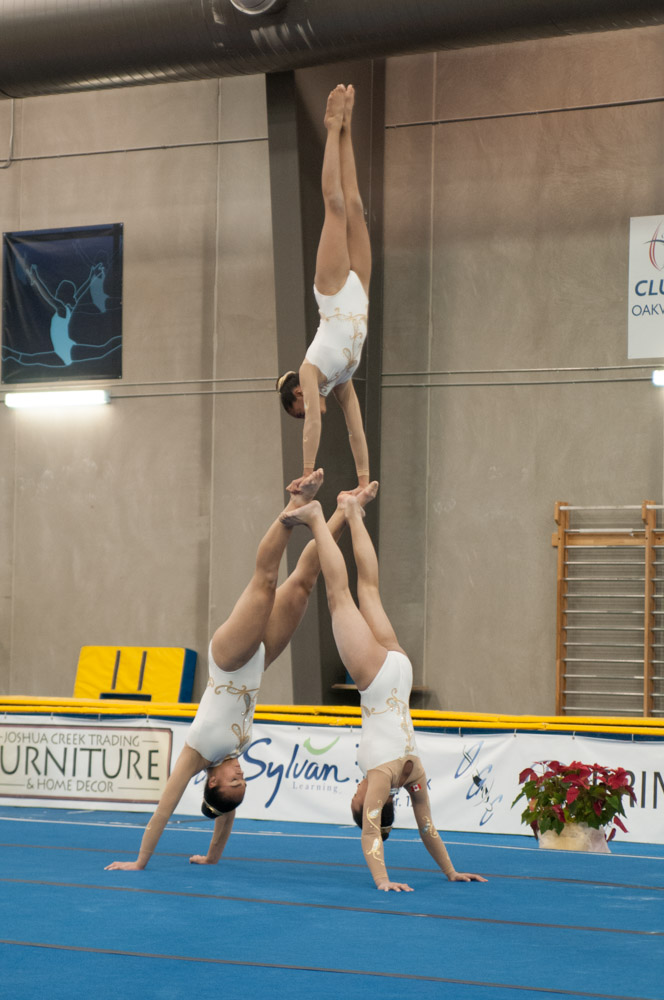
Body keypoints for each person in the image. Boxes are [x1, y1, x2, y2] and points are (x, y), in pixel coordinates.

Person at [105, 471, 379, 871]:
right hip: (259, 661)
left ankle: (294, 506)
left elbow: (163, 811)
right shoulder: (230, 761)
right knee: (303, 582)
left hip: (230, 659)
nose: (240, 775)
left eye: (234, 781)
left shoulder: (196, 754)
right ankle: (345, 509)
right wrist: (212, 856)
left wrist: (140, 861)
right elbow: (224, 818)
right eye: (243, 782)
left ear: (212, 781)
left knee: (265, 582)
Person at [281, 489, 488, 892]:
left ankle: (354, 513)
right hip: (375, 679)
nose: (355, 793)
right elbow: (371, 834)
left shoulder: (414, 778)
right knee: (339, 596)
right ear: (369, 803)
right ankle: (317, 518)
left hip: (400, 672)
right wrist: (382, 880)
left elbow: (428, 827)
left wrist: (451, 871)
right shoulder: (379, 778)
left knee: (369, 591)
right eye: (356, 801)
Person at [276, 83, 371, 495]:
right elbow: (355, 429)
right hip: (360, 293)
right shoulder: (341, 379)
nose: (307, 412)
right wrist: (364, 481)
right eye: (303, 411)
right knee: (353, 205)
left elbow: (313, 423)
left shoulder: (313, 372)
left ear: (299, 392)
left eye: (298, 409)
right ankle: (347, 126)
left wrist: (308, 469)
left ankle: (331, 128)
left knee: (333, 206)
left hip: (333, 294)